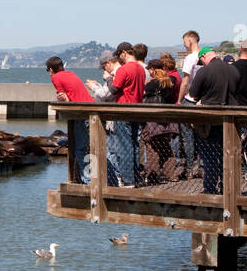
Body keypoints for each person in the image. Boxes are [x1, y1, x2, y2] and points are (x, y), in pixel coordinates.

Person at [187, 46, 241, 194]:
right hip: (231, 120)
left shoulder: (204, 71)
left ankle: (210, 187)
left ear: (204, 57)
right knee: (227, 155)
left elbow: (193, 95)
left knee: (210, 156)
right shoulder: (234, 70)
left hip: (210, 120)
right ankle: (227, 186)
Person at [95, 43, 147, 186]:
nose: (119, 59)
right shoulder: (141, 69)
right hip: (137, 109)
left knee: (123, 147)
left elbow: (114, 90)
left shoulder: (124, 69)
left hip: (122, 111)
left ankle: (128, 180)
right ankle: (136, 178)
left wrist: (108, 78)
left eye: (119, 56)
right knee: (135, 145)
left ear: (124, 53)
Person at [46, 56, 94, 183]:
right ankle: (102, 179)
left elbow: (62, 97)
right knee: (92, 147)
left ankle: (87, 181)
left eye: (48, 71)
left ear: (51, 70)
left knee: (80, 148)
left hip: (81, 114)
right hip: (92, 110)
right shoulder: (71, 73)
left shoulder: (55, 77)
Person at [141, 58, 179, 183]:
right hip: (166, 118)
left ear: (152, 70)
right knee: (166, 148)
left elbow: (142, 93)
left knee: (151, 147)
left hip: (153, 118)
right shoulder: (169, 82)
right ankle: (172, 174)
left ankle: (152, 175)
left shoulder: (153, 83)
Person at [175, 30, 201, 178]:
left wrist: (179, 100)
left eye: (184, 41)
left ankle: (190, 166)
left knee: (187, 135)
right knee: (202, 134)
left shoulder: (190, 58)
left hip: (190, 98)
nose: (184, 45)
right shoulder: (204, 57)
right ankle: (203, 164)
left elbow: (185, 81)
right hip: (203, 100)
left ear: (190, 41)